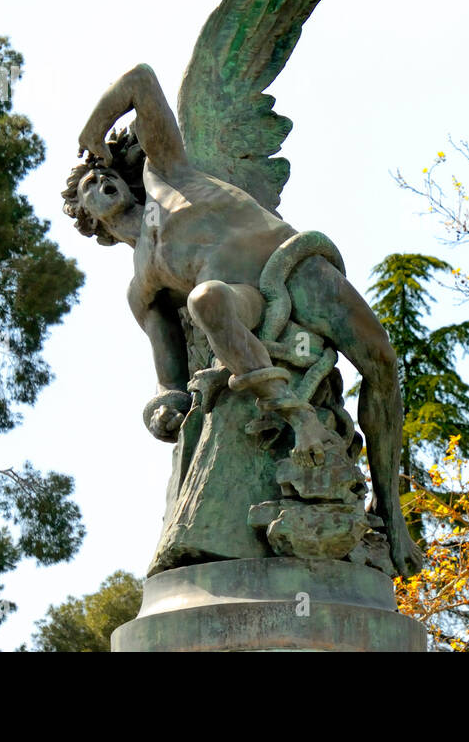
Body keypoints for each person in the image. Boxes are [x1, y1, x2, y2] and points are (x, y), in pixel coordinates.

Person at [62, 63, 421, 577]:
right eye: (86, 189)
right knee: (206, 299)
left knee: (382, 365)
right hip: (249, 300)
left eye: (102, 174)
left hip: (296, 266)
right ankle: (299, 416)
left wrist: (92, 130)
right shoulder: (143, 286)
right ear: (88, 219)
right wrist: (162, 408)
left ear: (123, 176)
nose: (97, 182)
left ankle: (390, 515)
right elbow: (170, 382)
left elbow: (140, 80)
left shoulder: (167, 173)